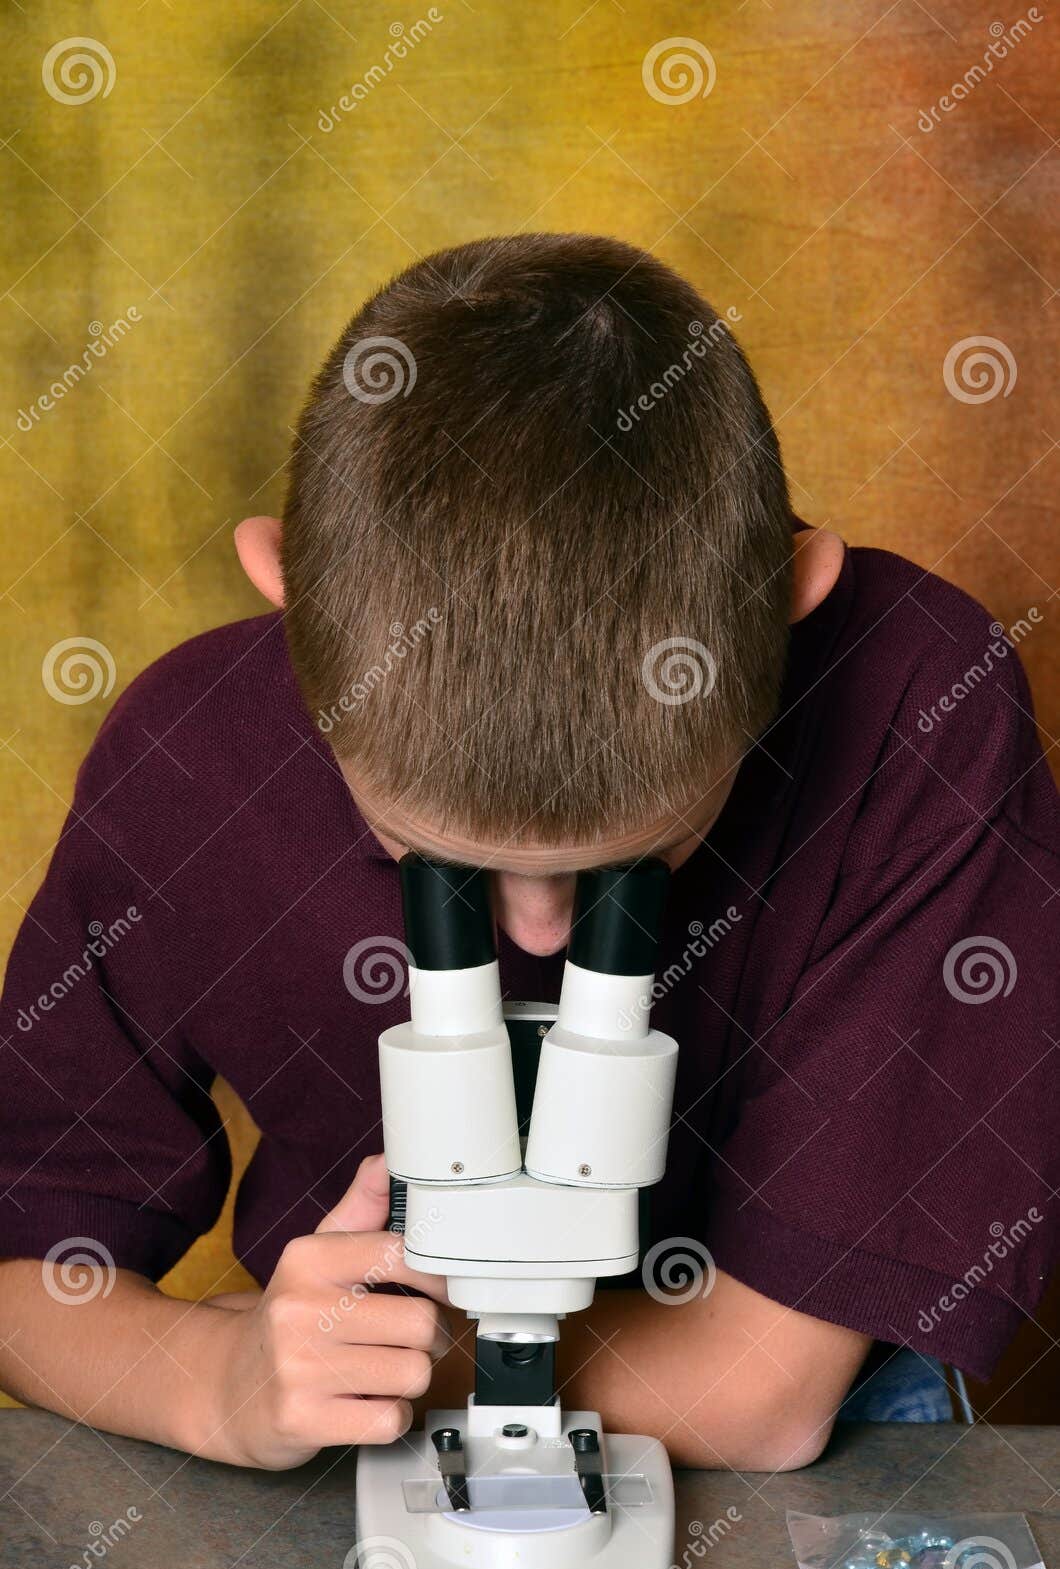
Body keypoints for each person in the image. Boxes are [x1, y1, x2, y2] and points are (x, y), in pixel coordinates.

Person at [1, 234, 1056, 1471]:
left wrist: (376, 1349)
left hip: (812, 1435)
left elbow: (763, 1398)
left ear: (789, 592)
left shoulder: (912, 705)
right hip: (316, 1426)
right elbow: (25, 1273)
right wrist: (211, 1378)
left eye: (631, 865)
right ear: (284, 588)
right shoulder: (191, 755)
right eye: (433, 861)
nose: (543, 934)